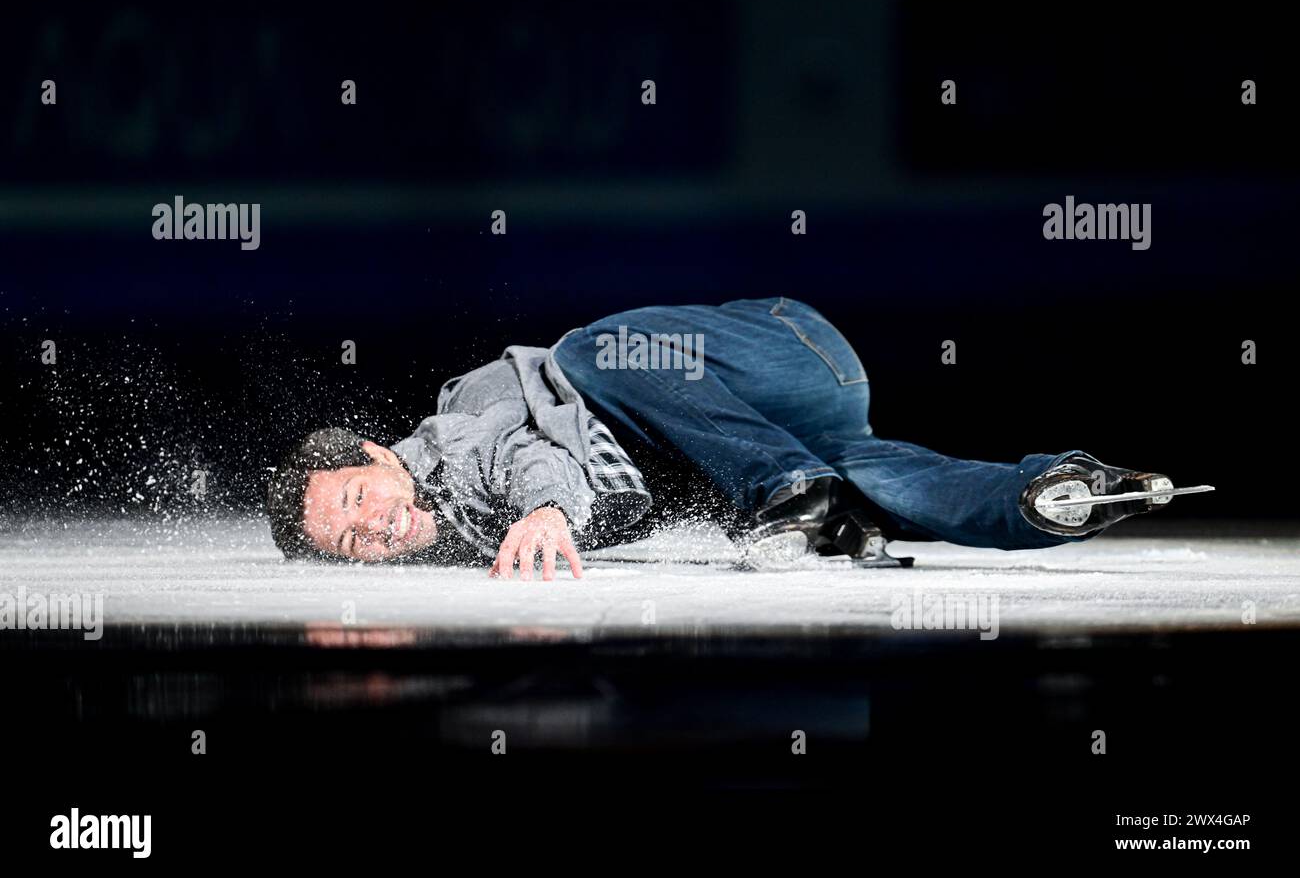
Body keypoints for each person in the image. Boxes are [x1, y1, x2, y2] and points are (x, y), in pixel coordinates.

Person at [265, 297, 1180, 579]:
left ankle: (789, 487)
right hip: (773, 421)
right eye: (348, 543)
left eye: (356, 502)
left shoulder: (454, 429)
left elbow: (522, 454)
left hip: (787, 348)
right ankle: (1048, 496)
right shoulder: (443, 534)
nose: (370, 532)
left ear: (379, 457)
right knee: (876, 487)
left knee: (590, 349)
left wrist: (546, 507)